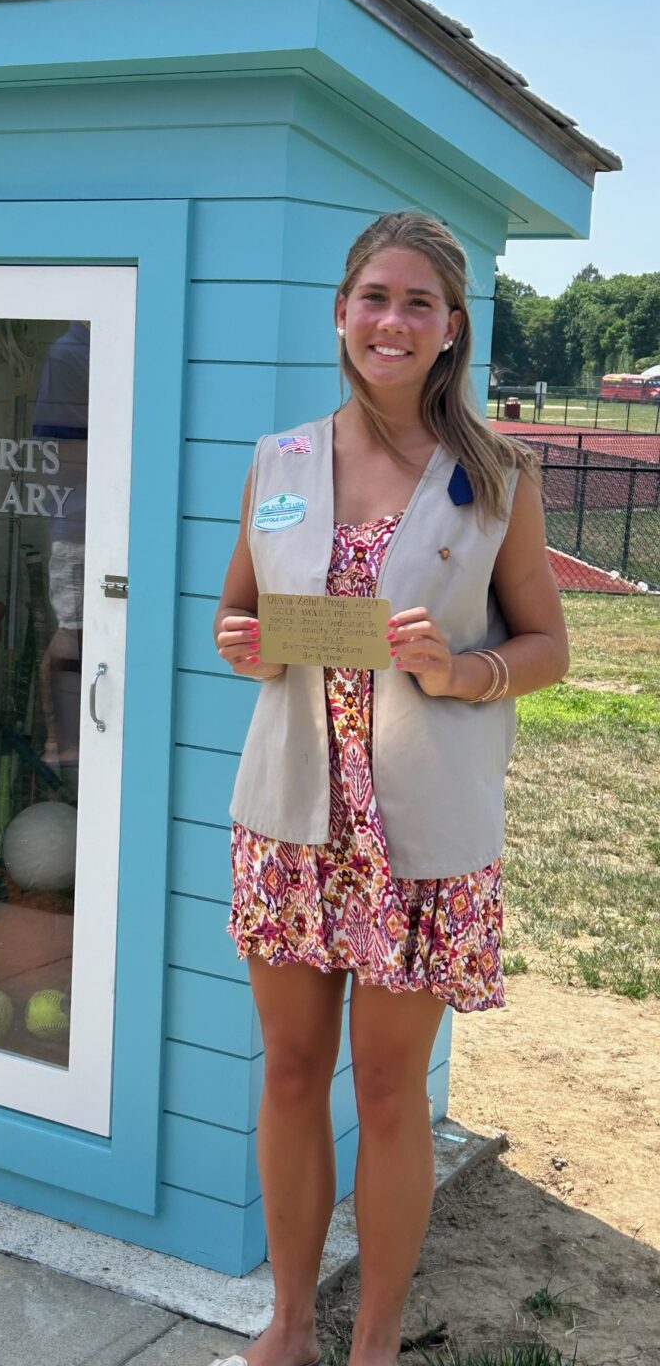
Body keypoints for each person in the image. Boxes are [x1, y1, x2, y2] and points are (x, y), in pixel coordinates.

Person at [209, 212, 569, 1366]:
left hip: (422, 836)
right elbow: (243, 615)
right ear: (340, 312)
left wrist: (463, 670)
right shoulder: (283, 462)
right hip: (293, 824)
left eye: (419, 303)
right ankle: (289, 1326)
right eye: (375, 296)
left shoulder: (495, 477)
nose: (393, 321)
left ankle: (372, 1343)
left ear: (453, 328)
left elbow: (550, 647)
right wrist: (241, 640)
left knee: (390, 1088)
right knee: (292, 1070)